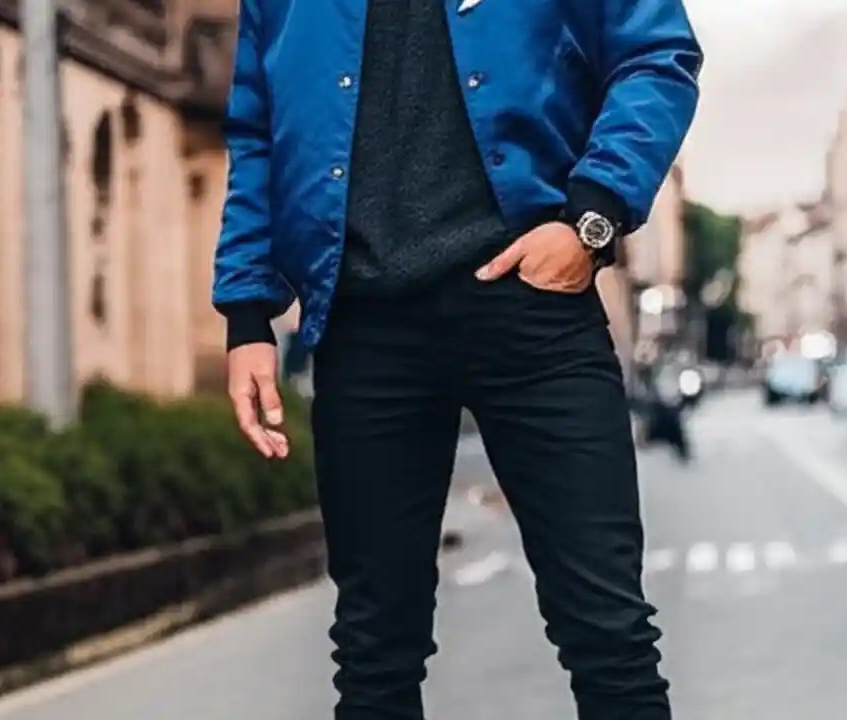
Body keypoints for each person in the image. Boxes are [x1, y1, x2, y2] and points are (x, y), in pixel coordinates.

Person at [213, 1, 702, 717]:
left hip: (535, 309)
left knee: (609, 635)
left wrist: (590, 221)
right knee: (374, 653)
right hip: (365, 322)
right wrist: (248, 311)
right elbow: (256, 130)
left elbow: (657, 58)